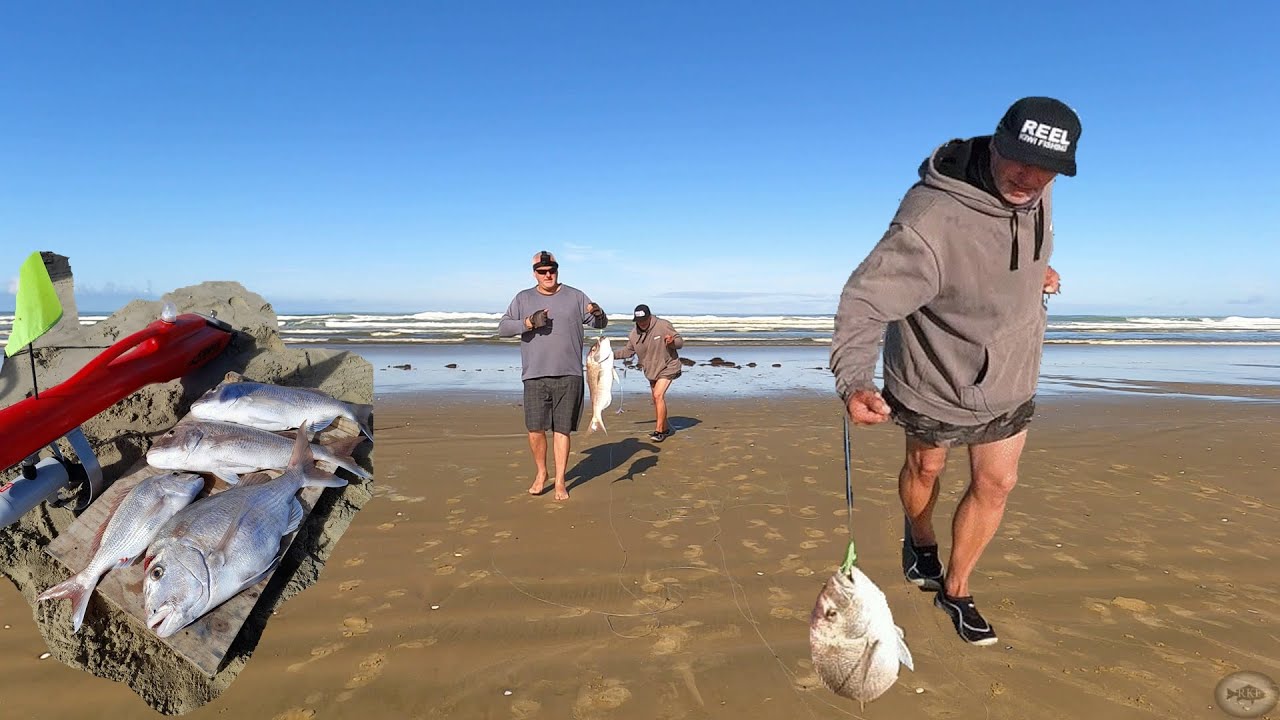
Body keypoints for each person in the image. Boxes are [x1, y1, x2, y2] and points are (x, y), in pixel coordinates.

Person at [830, 97, 1081, 646]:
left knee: (998, 483)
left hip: (1012, 372)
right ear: (996, 144)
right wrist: (855, 382)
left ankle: (957, 589)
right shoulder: (929, 220)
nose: (1029, 178)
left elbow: (1015, 235)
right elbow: (863, 301)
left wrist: (1034, 270)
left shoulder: (1038, 185)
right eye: (1019, 160)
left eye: (1046, 169)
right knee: (926, 469)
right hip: (935, 375)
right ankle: (919, 538)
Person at [498, 251, 608, 501]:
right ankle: (541, 473)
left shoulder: (576, 296)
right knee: (535, 429)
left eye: (552, 270)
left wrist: (599, 314)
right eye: (542, 271)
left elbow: (599, 324)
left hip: (570, 374)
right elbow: (503, 328)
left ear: (557, 270)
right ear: (534, 273)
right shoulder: (523, 298)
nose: (548, 275)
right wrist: (528, 322)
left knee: (562, 430)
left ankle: (560, 481)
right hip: (534, 375)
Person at [613, 304, 684, 442]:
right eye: (639, 321)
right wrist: (610, 355)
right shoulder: (634, 334)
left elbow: (680, 342)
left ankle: (659, 432)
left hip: (668, 366)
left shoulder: (663, 325)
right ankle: (665, 428)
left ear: (650, 317)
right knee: (656, 399)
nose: (642, 323)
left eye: (644, 320)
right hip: (651, 370)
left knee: (658, 395)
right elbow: (628, 352)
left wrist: (672, 342)